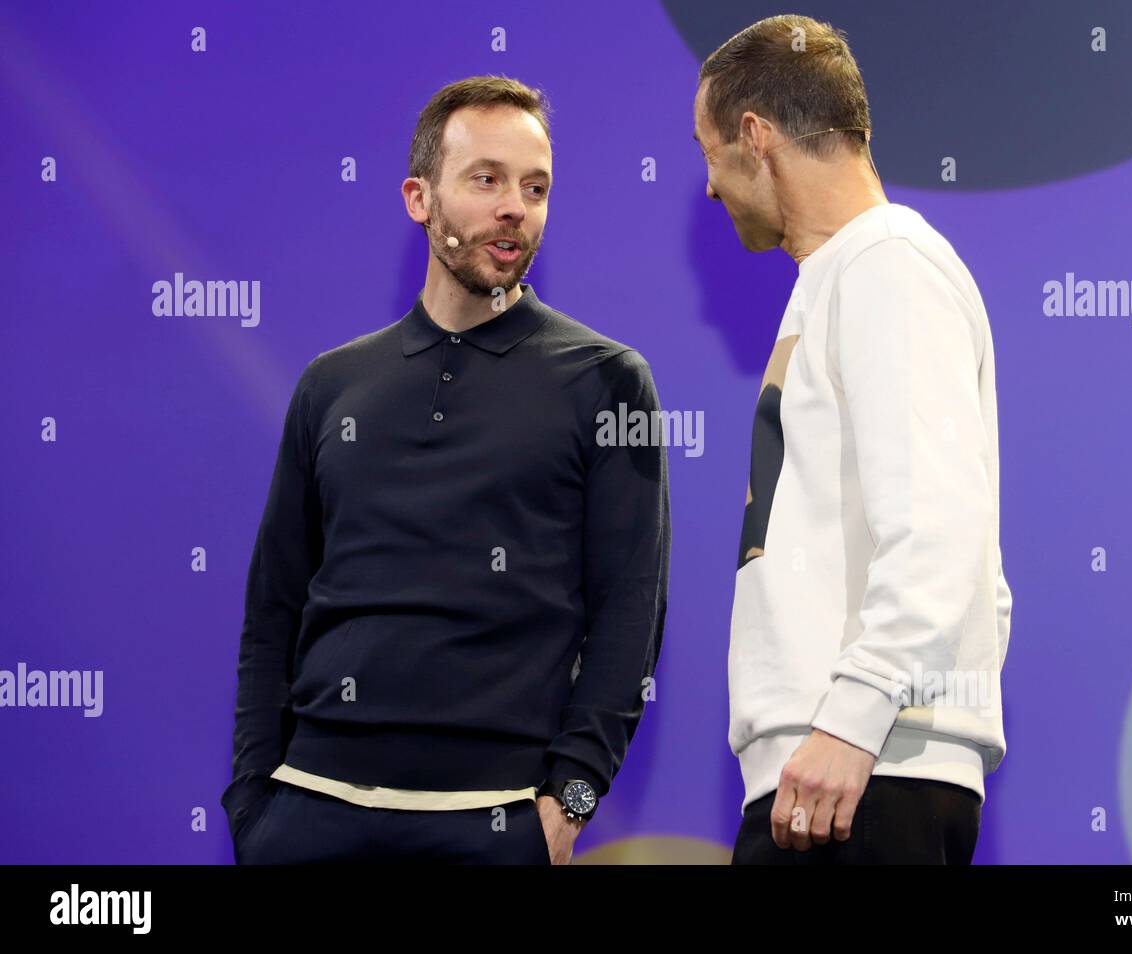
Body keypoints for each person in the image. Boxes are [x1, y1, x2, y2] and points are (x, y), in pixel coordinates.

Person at [221, 75, 670, 864]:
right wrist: (253, 802)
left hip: (494, 824)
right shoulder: (332, 384)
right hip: (307, 815)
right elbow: (273, 609)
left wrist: (566, 809)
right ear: (418, 198)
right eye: (486, 179)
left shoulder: (606, 379)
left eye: (535, 188)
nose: (514, 208)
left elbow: (631, 614)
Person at [692, 15, 1012, 864]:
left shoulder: (886, 265)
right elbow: (981, 574)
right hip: (841, 767)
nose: (711, 187)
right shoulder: (840, 278)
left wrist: (857, 720)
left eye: (709, 151)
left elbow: (940, 530)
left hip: (860, 776)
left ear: (755, 137)